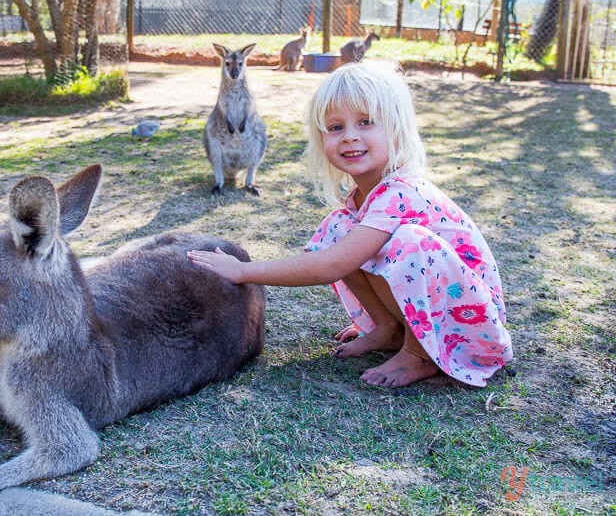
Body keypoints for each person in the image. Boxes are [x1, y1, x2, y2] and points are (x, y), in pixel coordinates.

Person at [187, 60, 512, 388]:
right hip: (446, 317)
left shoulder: (402, 190)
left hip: (472, 329)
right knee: (339, 228)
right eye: (336, 127)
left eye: (366, 122)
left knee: (410, 243)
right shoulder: (367, 196)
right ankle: (388, 329)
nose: (349, 137)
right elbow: (337, 251)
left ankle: (420, 355)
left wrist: (243, 271)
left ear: (396, 129)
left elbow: (331, 265)